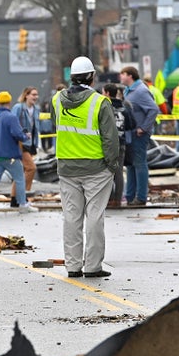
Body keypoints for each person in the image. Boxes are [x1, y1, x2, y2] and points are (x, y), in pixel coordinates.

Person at [51, 56, 120, 278]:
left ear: (71, 76)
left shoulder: (56, 100)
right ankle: (92, 267)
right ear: (91, 77)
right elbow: (111, 139)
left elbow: (57, 126)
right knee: (94, 216)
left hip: (67, 167)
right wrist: (112, 166)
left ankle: (72, 266)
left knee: (71, 217)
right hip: (96, 168)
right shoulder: (101, 102)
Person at [0, 92, 37, 213]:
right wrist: (26, 136)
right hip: (10, 155)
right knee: (20, 178)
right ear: (9, 103)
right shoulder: (11, 117)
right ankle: (23, 205)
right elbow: (17, 134)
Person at [119, 66, 159, 206]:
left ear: (130, 76)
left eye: (122, 74)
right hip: (131, 133)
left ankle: (141, 197)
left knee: (139, 163)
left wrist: (144, 127)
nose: (121, 77)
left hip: (139, 134)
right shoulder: (129, 90)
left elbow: (154, 109)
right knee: (130, 164)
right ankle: (130, 195)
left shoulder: (141, 91)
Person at [102, 83, 135, 208]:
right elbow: (131, 124)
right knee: (119, 172)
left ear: (107, 93)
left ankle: (109, 199)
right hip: (121, 142)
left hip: (107, 144)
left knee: (107, 172)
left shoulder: (104, 107)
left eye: (103, 92)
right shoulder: (124, 107)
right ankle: (118, 199)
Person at [12, 86, 40, 206]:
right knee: (31, 168)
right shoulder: (18, 108)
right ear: (26, 95)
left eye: (36, 95)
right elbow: (12, 123)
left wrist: (36, 144)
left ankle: (14, 199)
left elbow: (35, 127)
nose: (35, 97)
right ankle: (24, 195)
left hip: (30, 143)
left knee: (20, 171)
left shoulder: (36, 109)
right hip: (20, 142)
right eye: (33, 94)